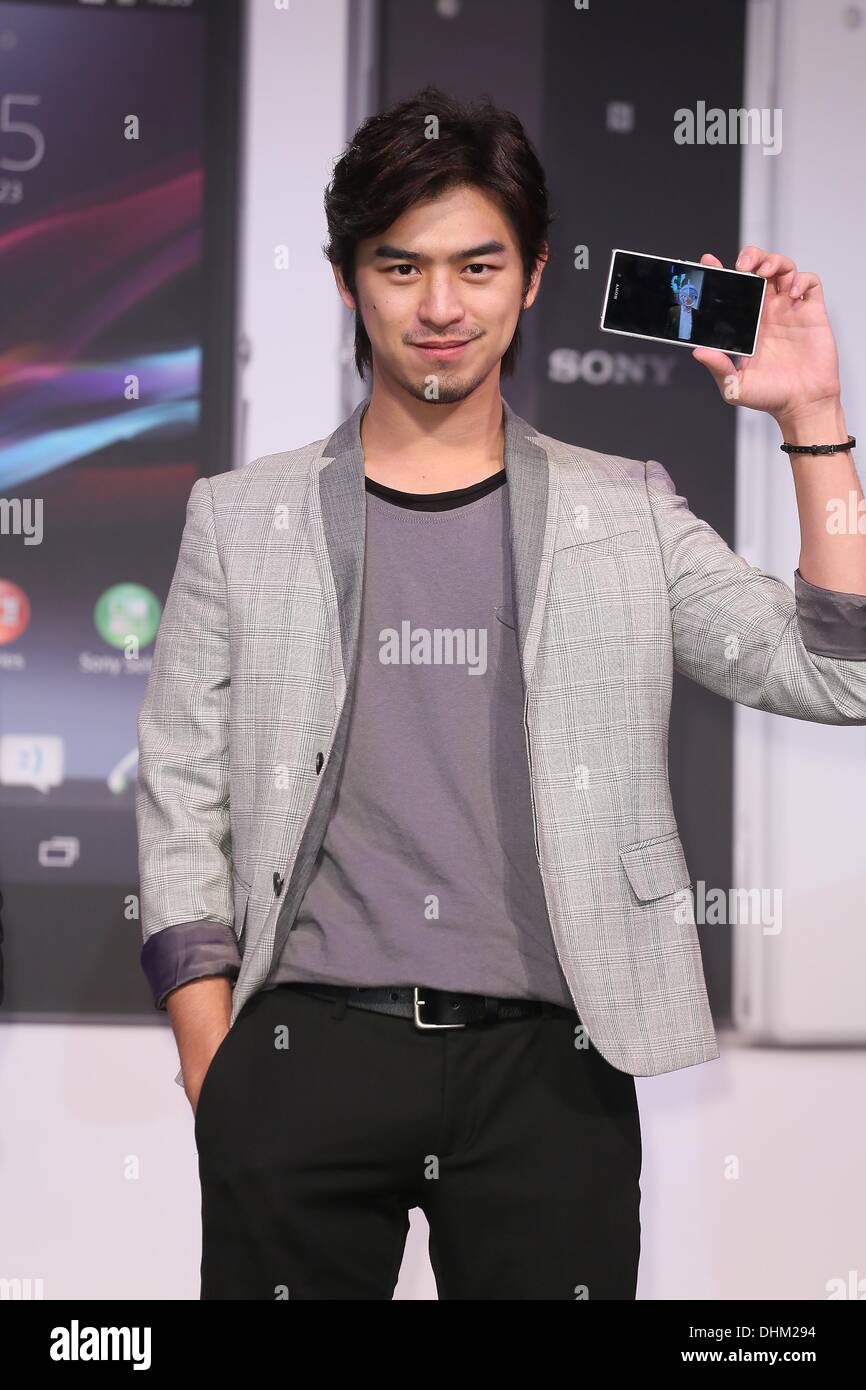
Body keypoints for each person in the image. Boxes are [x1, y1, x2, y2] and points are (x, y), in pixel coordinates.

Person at [135, 84, 866, 1301]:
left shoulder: (620, 506)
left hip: (551, 1066)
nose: (437, 308)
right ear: (345, 282)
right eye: (399, 267)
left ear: (529, 281)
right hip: (301, 1051)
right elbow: (180, 796)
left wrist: (813, 411)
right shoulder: (238, 516)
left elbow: (839, 674)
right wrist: (218, 1071)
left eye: (476, 266)